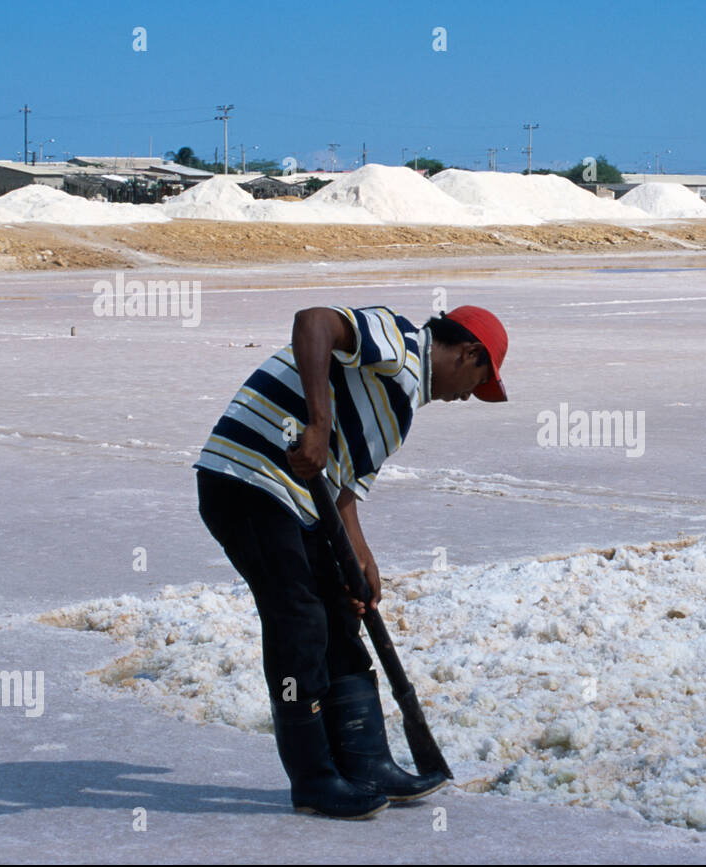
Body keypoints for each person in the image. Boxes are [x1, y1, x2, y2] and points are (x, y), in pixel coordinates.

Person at [194, 304, 508, 819]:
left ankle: (367, 763)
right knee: (298, 619)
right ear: (469, 352)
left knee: (343, 614)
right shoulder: (400, 345)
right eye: (480, 380)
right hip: (245, 479)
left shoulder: (399, 412)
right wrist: (318, 424)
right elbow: (313, 321)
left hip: (299, 498)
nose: (470, 395)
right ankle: (314, 778)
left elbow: (341, 483)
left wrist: (358, 556)